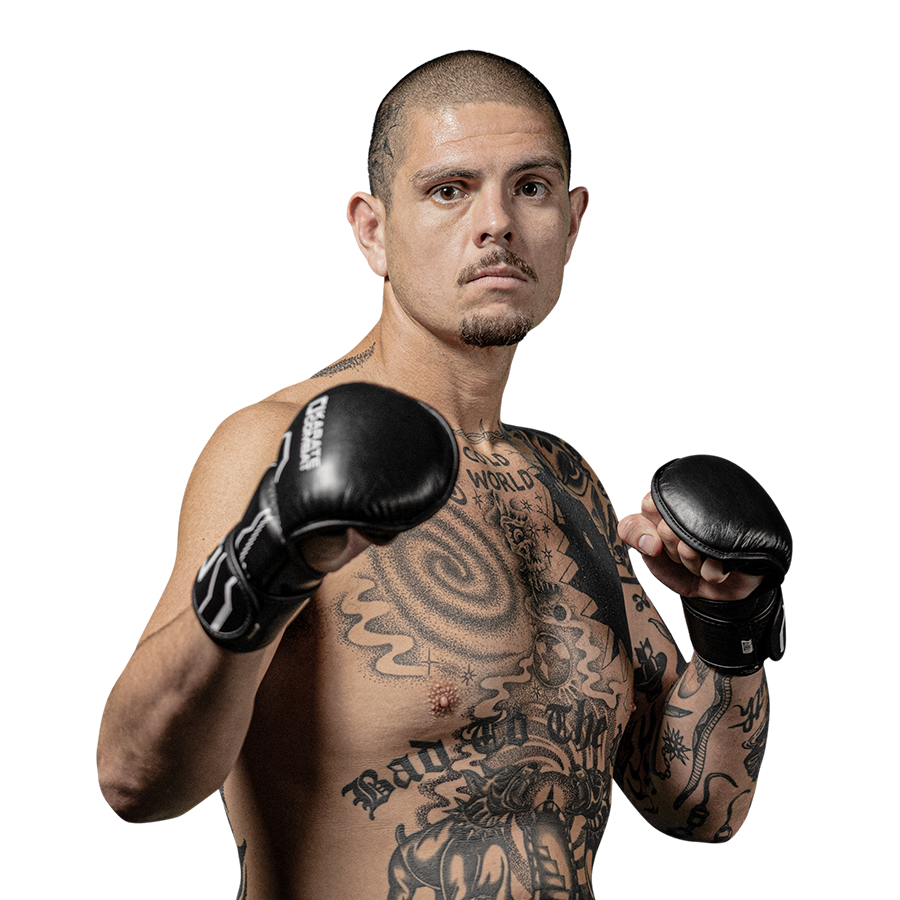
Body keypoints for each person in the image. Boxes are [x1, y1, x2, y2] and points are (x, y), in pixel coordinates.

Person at [97, 51, 788, 899]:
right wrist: (268, 557)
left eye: (530, 187)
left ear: (572, 222)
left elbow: (693, 806)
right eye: (449, 190)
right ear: (372, 229)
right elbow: (132, 782)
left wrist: (733, 622)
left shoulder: (568, 486)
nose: (496, 222)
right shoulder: (281, 446)